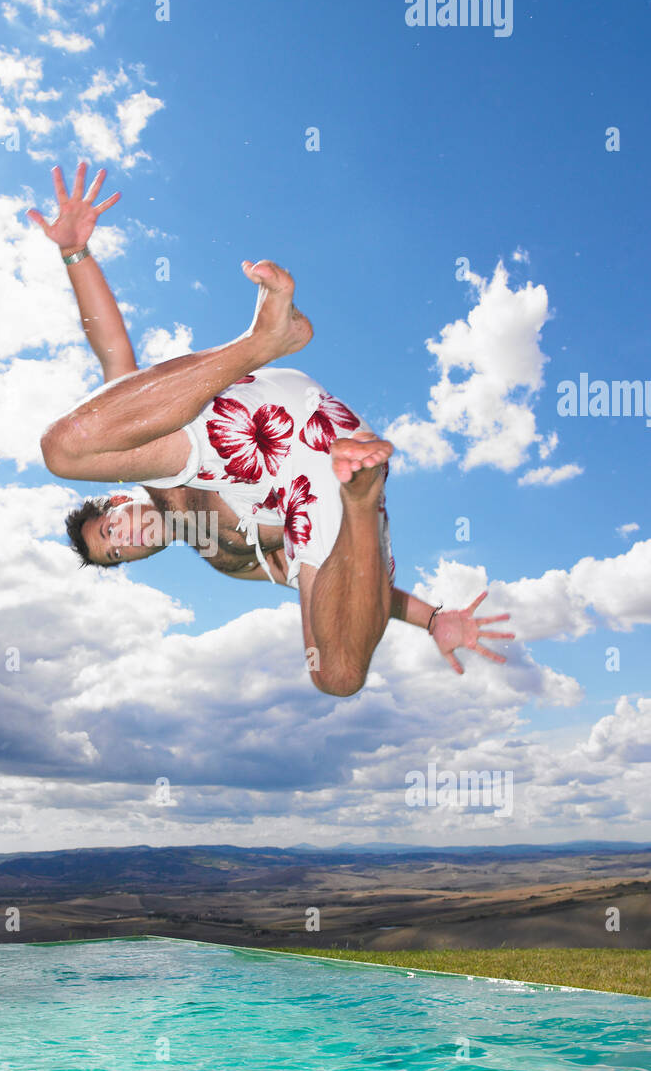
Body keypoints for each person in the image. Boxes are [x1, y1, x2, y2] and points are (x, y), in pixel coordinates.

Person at [30, 163, 515, 697]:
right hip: (333, 465)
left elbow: (114, 354)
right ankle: (360, 496)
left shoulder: (154, 471)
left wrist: (74, 253)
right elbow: (344, 590)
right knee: (337, 675)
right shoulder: (229, 562)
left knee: (65, 450)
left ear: (119, 501)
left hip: (260, 419)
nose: (124, 541)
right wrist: (431, 621)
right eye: (117, 555)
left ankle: (261, 340)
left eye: (110, 531)